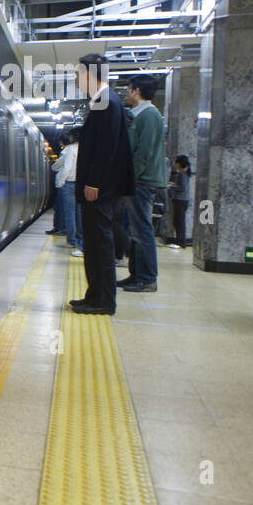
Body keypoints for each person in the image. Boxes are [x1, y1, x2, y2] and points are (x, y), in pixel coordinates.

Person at [70, 54, 135, 316]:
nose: (75, 78)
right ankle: (94, 295)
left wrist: (94, 182)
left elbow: (106, 148)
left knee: (101, 244)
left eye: (77, 73)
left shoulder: (107, 103)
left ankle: (104, 301)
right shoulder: (102, 102)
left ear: (89, 73)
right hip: (97, 188)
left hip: (100, 188)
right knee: (95, 244)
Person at [119, 74, 167, 293]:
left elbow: (143, 154)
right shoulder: (141, 115)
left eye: (128, 89)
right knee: (136, 230)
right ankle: (136, 274)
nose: (127, 93)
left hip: (142, 181)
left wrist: (129, 179)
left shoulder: (148, 115)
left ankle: (147, 278)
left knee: (142, 230)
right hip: (139, 180)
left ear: (136, 90)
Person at [52, 128, 82, 254]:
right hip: (81, 184)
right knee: (79, 214)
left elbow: (67, 167)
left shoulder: (70, 149)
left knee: (70, 213)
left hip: (70, 183)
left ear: (73, 137)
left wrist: (60, 183)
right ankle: (80, 240)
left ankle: (72, 240)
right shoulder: (85, 148)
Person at [167, 155, 192, 249]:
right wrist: (173, 184)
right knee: (178, 221)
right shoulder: (184, 173)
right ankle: (179, 241)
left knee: (179, 222)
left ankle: (180, 242)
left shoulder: (182, 174)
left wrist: (171, 187)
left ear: (178, 163)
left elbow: (182, 188)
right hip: (182, 200)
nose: (174, 164)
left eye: (175, 162)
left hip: (180, 200)